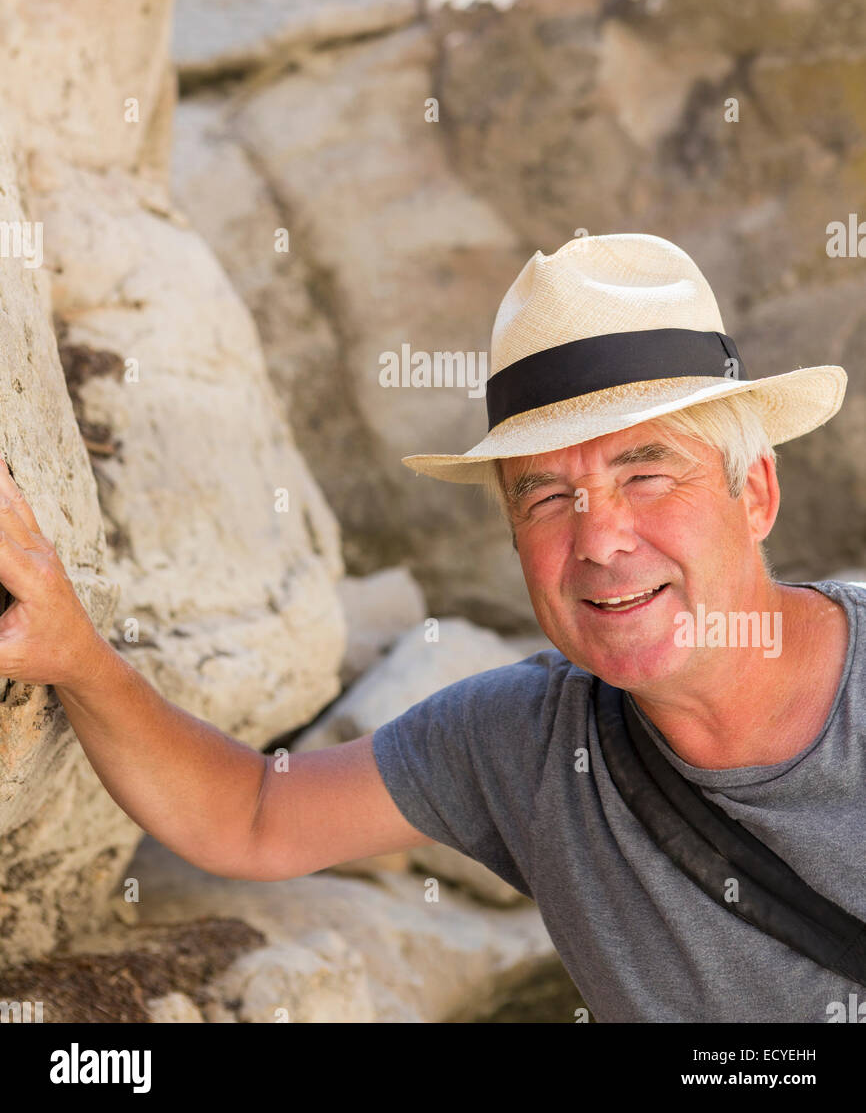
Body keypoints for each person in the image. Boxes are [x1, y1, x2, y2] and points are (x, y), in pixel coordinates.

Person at [1, 233, 861, 1022]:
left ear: (755, 495)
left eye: (646, 475)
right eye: (549, 497)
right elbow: (251, 812)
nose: (599, 540)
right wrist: (75, 653)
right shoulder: (520, 744)